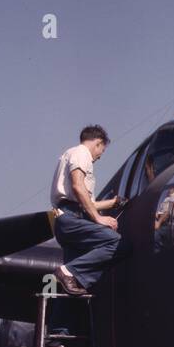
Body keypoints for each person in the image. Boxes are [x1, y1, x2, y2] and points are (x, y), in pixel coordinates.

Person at [50, 124, 128, 296]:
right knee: (116, 242)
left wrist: (113, 203)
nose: (99, 157)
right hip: (71, 218)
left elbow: (85, 201)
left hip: (68, 217)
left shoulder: (71, 154)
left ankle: (63, 318)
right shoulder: (81, 153)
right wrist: (99, 219)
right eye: (102, 151)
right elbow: (78, 187)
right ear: (98, 143)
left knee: (70, 289)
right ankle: (67, 272)